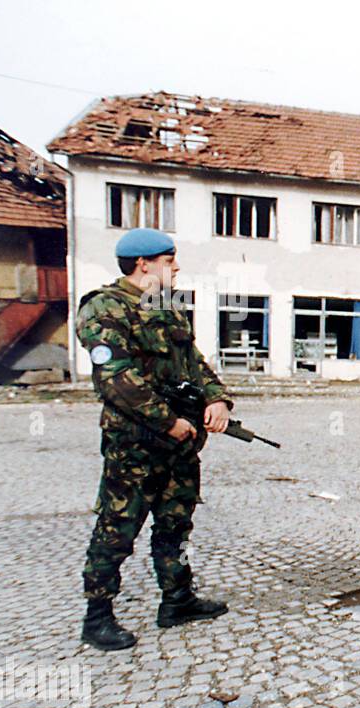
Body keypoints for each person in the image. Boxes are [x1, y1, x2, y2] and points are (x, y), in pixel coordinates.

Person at [77, 228, 233, 651]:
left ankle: (177, 599)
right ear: (143, 264)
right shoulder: (103, 308)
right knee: (117, 527)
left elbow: (193, 362)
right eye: (169, 260)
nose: (176, 266)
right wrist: (168, 423)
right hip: (136, 445)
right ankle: (98, 616)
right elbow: (115, 379)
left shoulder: (165, 305)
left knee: (175, 524)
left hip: (180, 443)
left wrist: (218, 399)